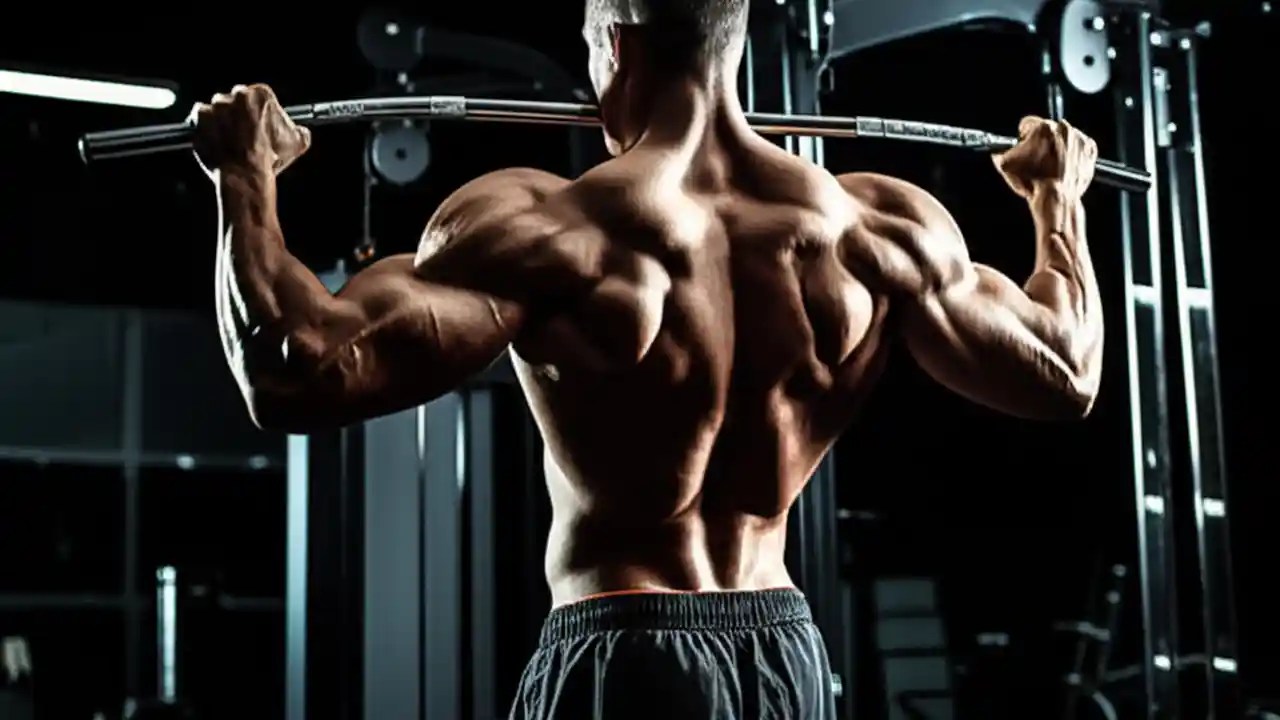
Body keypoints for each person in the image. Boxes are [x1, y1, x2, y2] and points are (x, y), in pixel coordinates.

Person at [190, 0, 1103, 716]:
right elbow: (1065, 371)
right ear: (733, 45)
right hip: (783, 652)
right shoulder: (877, 227)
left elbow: (294, 367)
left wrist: (245, 182)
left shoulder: (552, 227)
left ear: (612, 46)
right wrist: (1057, 206)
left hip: (625, 648)